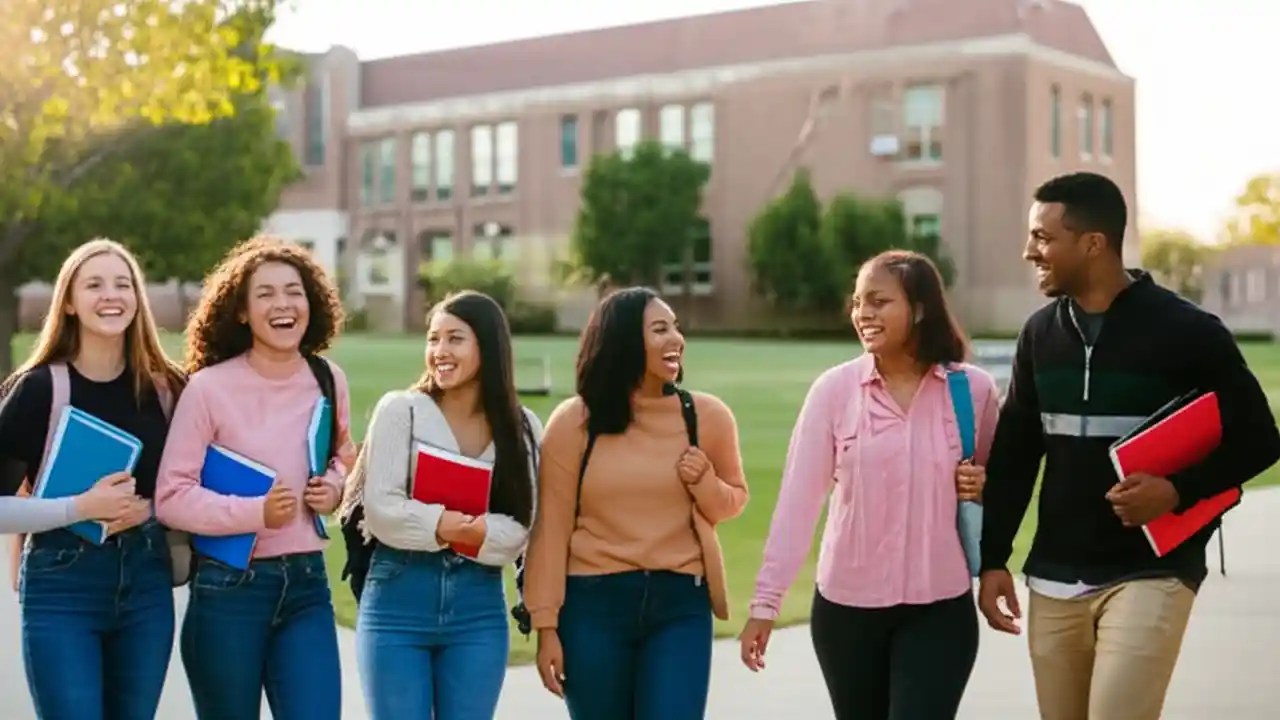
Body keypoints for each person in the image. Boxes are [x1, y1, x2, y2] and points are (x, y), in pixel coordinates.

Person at [978, 171, 1280, 720]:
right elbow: (1018, 453)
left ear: (1093, 244)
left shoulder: (1189, 331)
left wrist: (1176, 491)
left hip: (1153, 570)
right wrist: (993, 556)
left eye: (1043, 238)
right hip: (1054, 574)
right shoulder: (1039, 335)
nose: (1029, 252)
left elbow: (1261, 438)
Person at [739, 250, 998, 720]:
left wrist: (983, 486)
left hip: (939, 609)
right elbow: (798, 504)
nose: (863, 314)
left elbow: (999, 496)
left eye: (879, 301)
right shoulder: (833, 392)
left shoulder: (973, 391)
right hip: (846, 613)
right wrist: (765, 603)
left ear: (919, 308)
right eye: (859, 302)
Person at [523, 286, 749, 720]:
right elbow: (550, 530)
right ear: (624, 340)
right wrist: (546, 625)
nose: (676, 339)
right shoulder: (575, 422)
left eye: (676, 328)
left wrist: (704, 483)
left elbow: (731, 502)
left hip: (680, 605)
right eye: (660, 329)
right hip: (592, 607)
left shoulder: (707, 416)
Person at [155, 236, 353, 720]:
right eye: (265, 294)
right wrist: (254, 513)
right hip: (228, 594)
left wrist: (335, 485)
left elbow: (345, 456)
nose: (283, 304)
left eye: (294, 291)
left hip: (307, 586)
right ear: (241, 311)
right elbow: (171, 497)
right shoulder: (207, 389)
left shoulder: (328, 378)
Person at [0, 238, 187, 720]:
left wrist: (155, 507)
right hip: (62, 585)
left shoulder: (168, 388)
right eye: (95, 284)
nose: (112, 295)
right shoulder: (39, 389)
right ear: (69, 301)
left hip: (146, 585)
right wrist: (78, 508)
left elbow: (193, 484)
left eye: (123, 284)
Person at [345, 290, 541, 719]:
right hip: (397, 598)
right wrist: (453, 525)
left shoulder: (523, 427)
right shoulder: (401, 410)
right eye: (433, 339)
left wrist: (469, 532)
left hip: (478, 606)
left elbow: (523, 529)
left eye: (455, 339)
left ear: (487, 346)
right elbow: (382, 512)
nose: (440, 351)